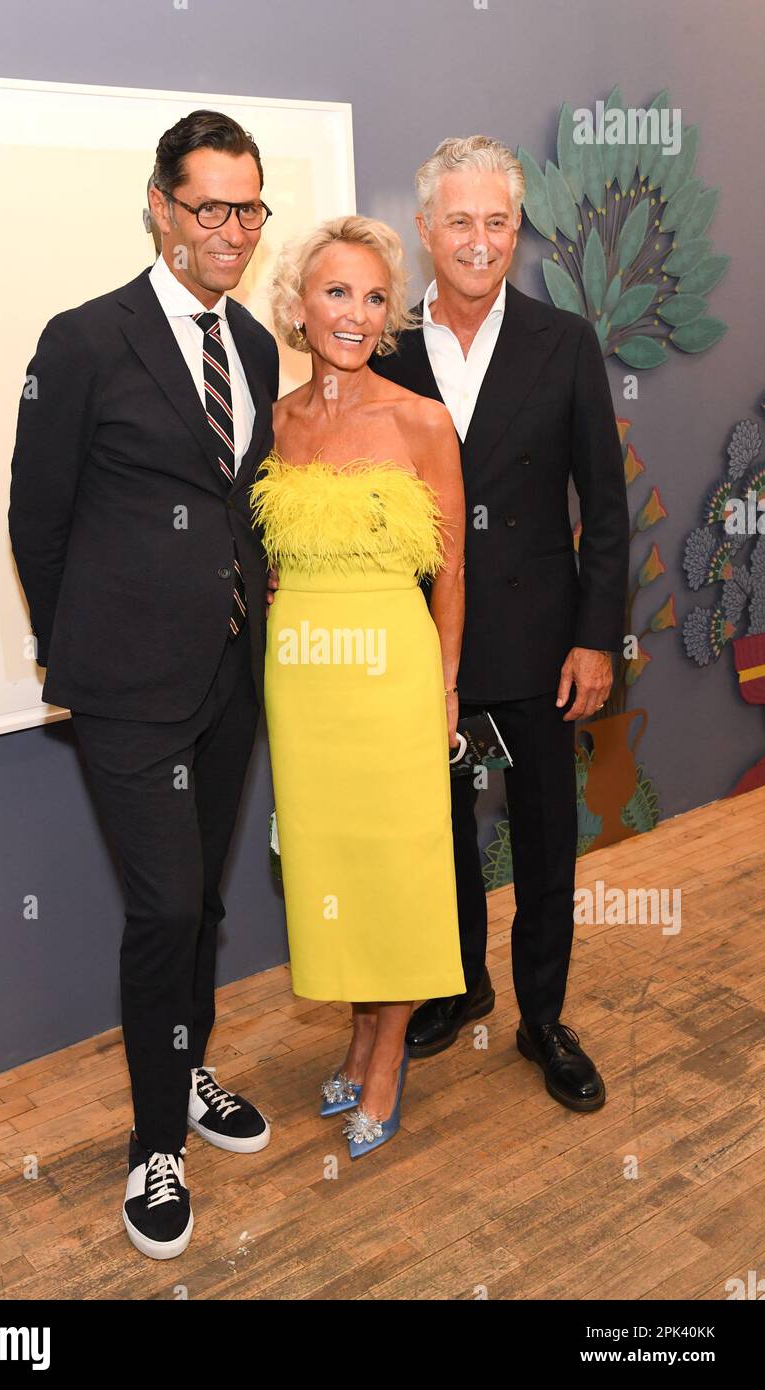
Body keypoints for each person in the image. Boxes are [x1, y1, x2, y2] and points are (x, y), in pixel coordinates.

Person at [9, 110, 279, 1259]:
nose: (230, 229)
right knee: (164, 907)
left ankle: (183, 1056)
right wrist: (86, 658)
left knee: (205, 902)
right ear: (160, 208)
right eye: (209, 206)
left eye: (248, 208)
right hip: (126, 689)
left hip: (230, 675)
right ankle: (154, 1141)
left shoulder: (258, 345)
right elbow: (39, 521)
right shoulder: (82, 341)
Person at [369, 135, 629, 1111]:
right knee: (434, 830)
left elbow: (601, 506)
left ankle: (542, 1019)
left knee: (542, 837)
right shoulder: (384, 346)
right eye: (459, 221)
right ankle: (457, 982)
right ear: (425, 228)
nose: (478, 240)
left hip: (537, 643)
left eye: (496, 222)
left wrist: (595, 635)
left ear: (515, 231)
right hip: (421, 646)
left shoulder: (563, 343)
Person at [249, 215, 466, 1159]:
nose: (356, 312)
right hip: (304, 683)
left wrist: (447, 686)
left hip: (391, 670)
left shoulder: (420, 421)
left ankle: (386, 1056)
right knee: (334, 867)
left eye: (376, 297)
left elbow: (453, 569)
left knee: (399, 867)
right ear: (299, 302)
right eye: (337, 291)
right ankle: (360, 1026)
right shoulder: (274, 423)